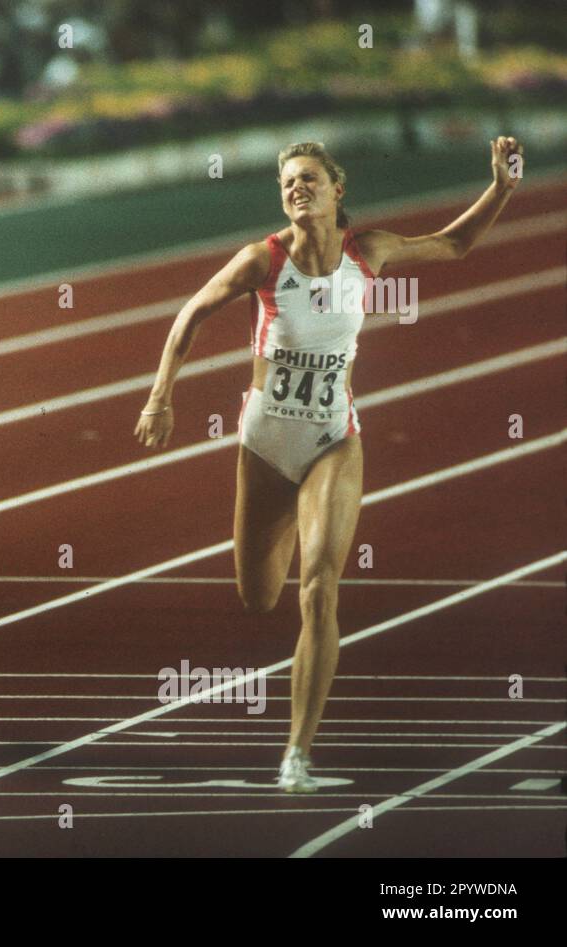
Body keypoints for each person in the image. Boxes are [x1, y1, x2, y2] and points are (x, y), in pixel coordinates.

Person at [134, 138, 523, 792]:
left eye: (308, 178)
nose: (296, 188)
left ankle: (297, 753)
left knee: (319, 586)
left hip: (333, 440)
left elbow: (453, 244)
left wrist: (502, 190)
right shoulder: (262, 260)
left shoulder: (368, 253)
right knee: (258, 597)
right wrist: (159, 396)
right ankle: (286, 522)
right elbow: (190, 314)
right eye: (287, 181)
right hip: (265, 443)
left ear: (336, 189)